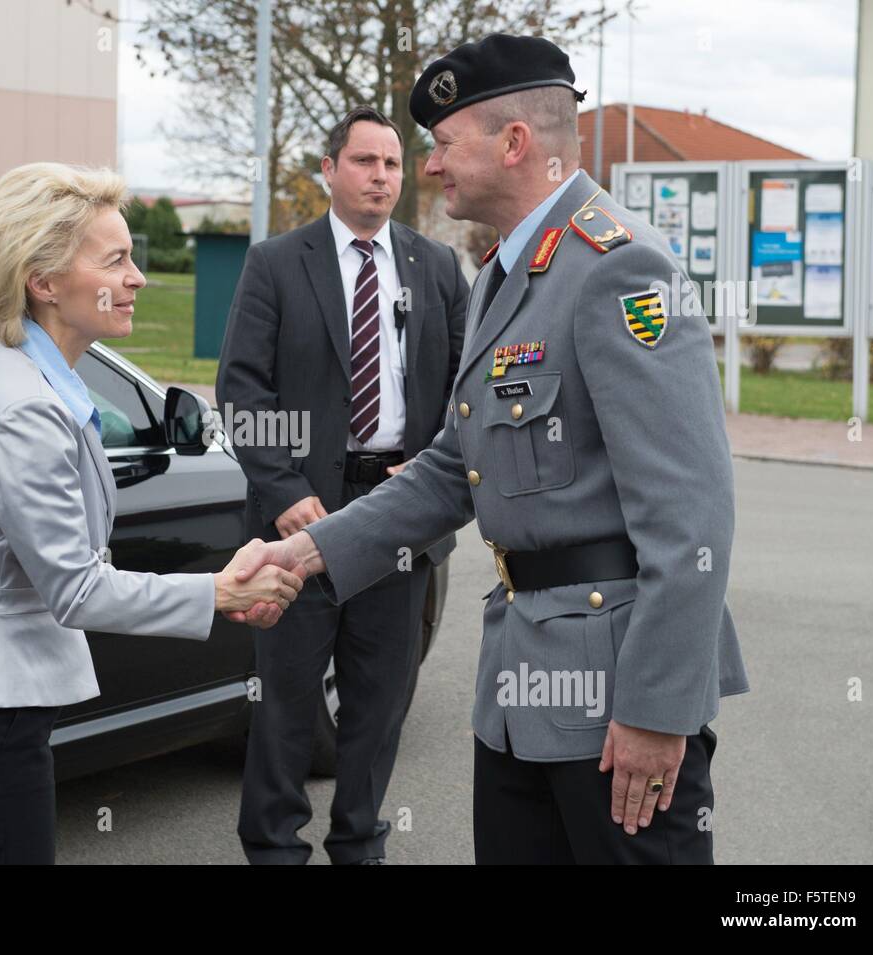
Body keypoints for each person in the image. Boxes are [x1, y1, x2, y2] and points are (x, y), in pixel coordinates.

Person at [233, 33, 748, 864]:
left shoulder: (617, 269)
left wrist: (658, 708)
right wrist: (302, 552)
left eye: (442, 144)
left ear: (514, 143)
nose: (429, 166)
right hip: (519, 685)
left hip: (617, 702)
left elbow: (692, 517)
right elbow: (450, 467)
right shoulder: (509, 274)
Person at [0, 162, 303, 865]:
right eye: (115, 260)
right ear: (43, 282)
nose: (137, 278)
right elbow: (76, 588)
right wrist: (219, 591)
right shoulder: (26, 405)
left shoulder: (25, 377)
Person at [217, 106, 469, 865]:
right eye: (364, 161)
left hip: (399, 516)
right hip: (302, 517)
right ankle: (273, 848)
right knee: (287, 704)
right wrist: (282, 488)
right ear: (329, 170)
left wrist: (427, 466)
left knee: (380, 704)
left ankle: (359, 844)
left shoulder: (435, 266)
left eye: (392, 164)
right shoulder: (276, 263)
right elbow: (242, 389)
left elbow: (467, 388)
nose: (380, 177)